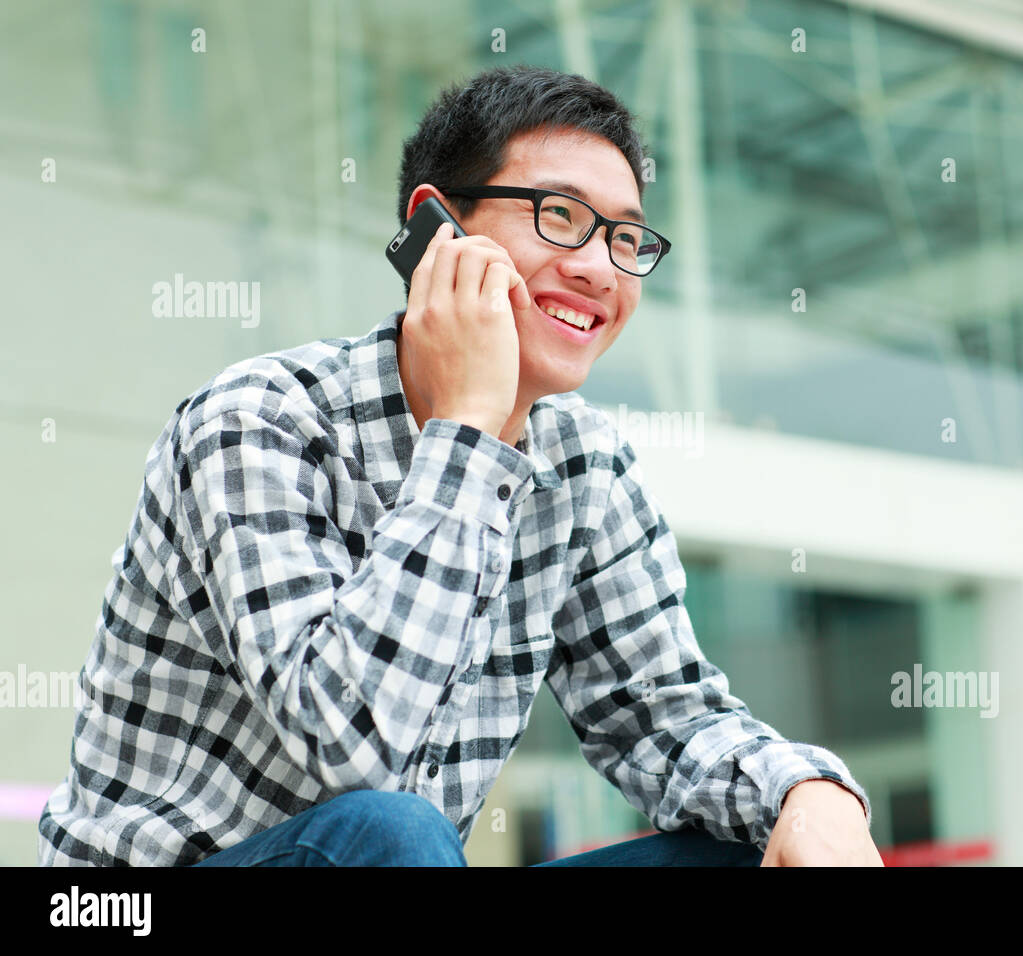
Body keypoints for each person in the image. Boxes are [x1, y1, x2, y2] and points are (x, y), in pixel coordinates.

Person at [38, 65, 882, 867]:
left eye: (626, 238)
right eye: (560, 216)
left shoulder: (582, 466)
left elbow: (667, 724)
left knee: (756, 847)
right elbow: (353, 746)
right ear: (436, 228)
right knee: (388, 828)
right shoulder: (259, 421)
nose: (598, 268)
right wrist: (469, 431)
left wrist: (813, 793)